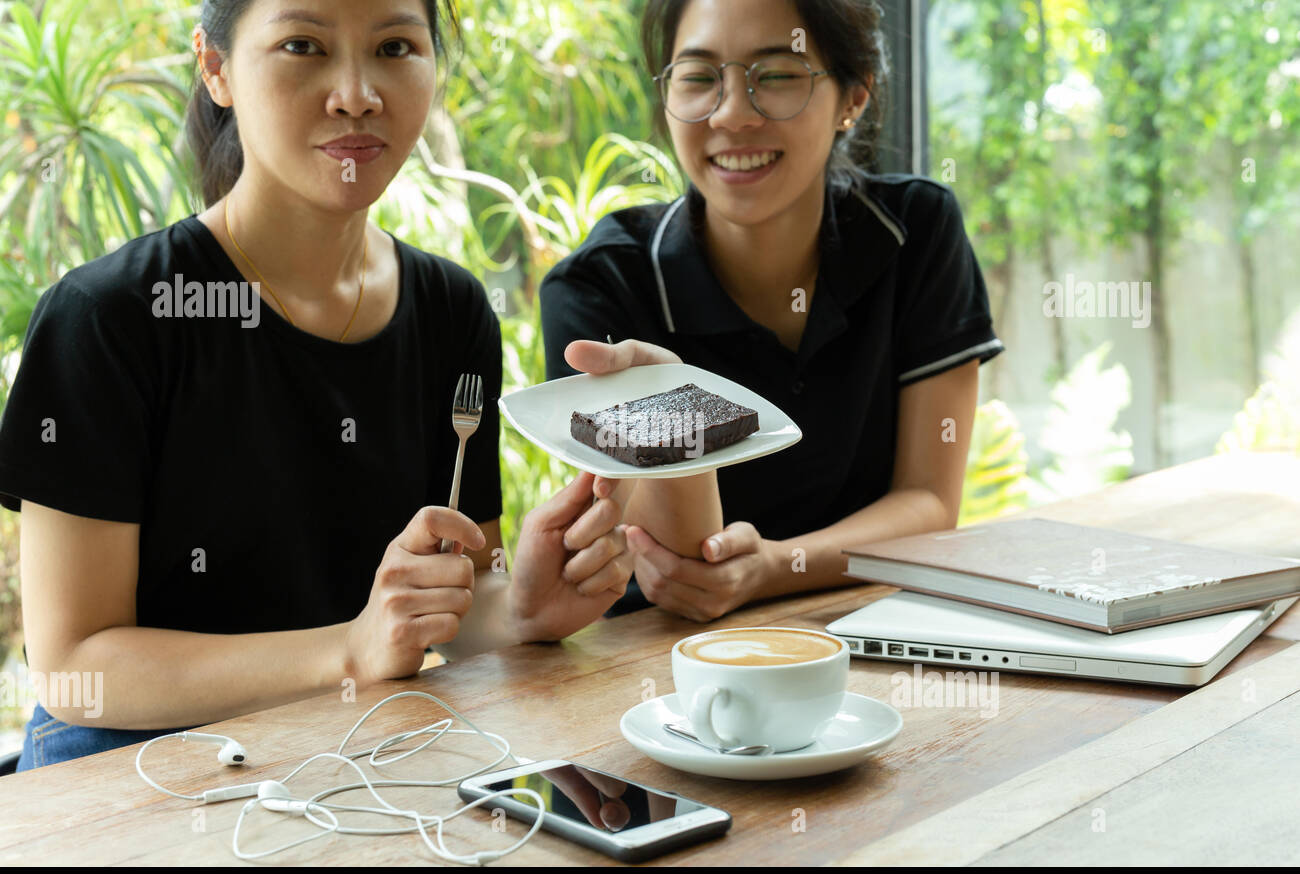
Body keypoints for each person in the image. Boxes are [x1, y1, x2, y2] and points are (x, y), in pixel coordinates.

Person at [0, 0, 633, 771]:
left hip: (358, 761)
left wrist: (522, 602)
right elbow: (74, 669)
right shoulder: (109, 319)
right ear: (216, 67)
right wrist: (348, 651)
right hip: (130, 773)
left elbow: (450, 603)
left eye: (396, 46)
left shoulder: (452, 310)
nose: (357, 93)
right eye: (303, 44)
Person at [541, 0, 1004, 623]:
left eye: (777, 75)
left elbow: (927, 501)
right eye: (700, 78)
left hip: (867, 625)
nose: (732, 114)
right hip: (654, 666)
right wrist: (669, 387)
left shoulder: (916, 234)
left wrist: (776, 566)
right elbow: (682, 569)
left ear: (853, 97)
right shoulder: (600, 289)